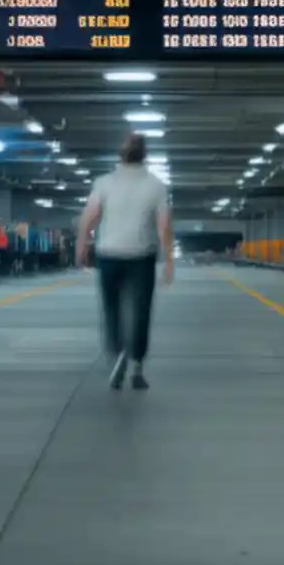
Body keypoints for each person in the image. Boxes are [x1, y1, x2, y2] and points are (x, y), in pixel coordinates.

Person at [77, 133, 174, 390]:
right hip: (142, 256)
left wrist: (81, 246)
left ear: (120, 155)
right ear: (145, 156)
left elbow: (90, 218)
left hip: (108, 255)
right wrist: (170, 262)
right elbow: (163, 227)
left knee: (112, 308)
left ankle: (117, 349)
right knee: (141, 311)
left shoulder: (104, 183)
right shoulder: (156, 185)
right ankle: (138, 368)